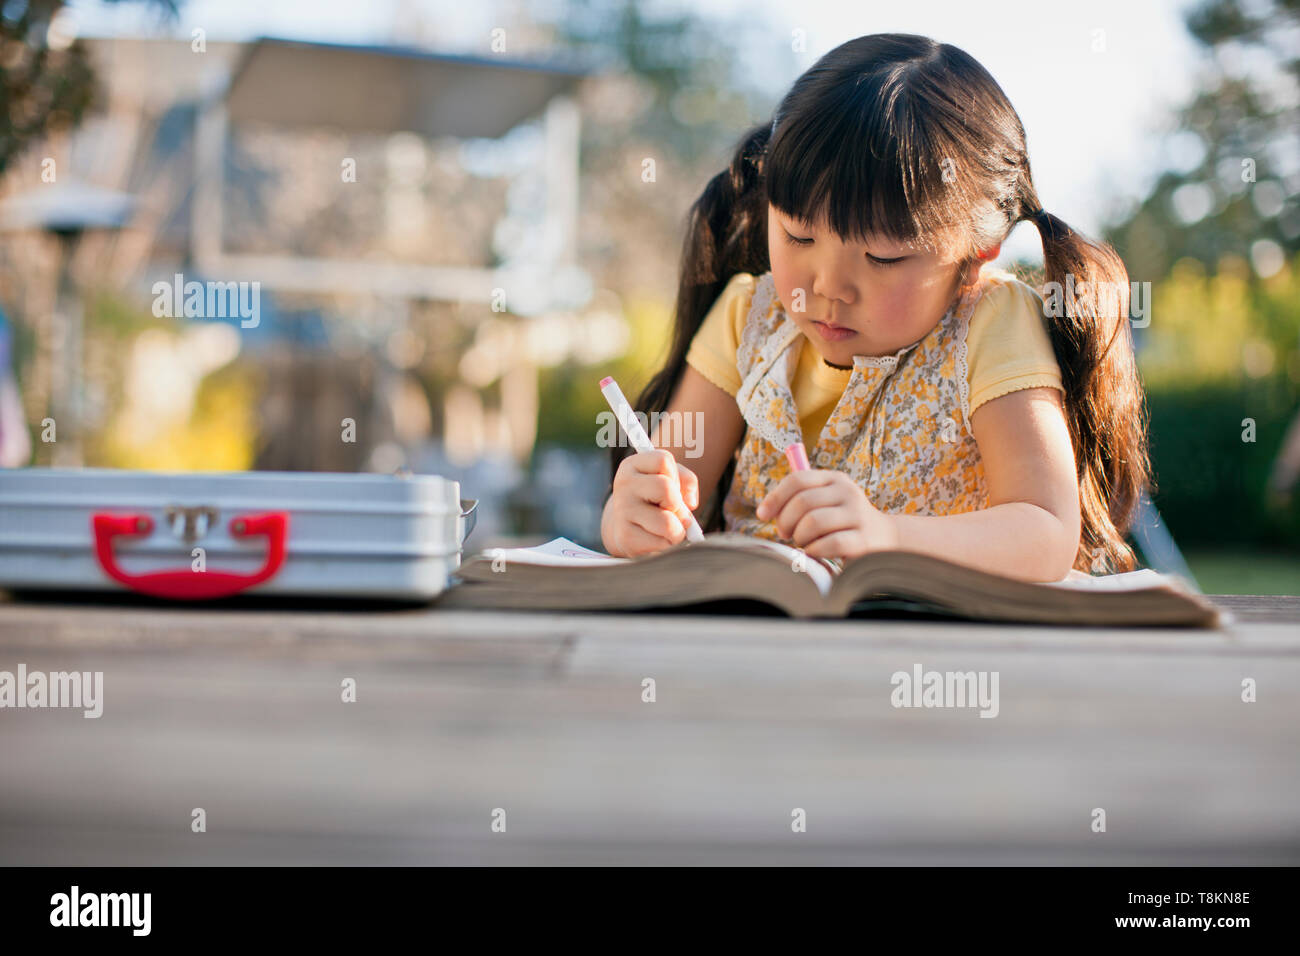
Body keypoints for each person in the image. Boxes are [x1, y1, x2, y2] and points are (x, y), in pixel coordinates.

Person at [601, 33, 1149, 582]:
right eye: (798, 235)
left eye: (883, 258)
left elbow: (1045, 533)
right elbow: (672, 496)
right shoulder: (748, 318)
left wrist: (886, 536)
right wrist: (636, 518)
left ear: (979, 251)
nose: (830, 287)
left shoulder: (990, 324)